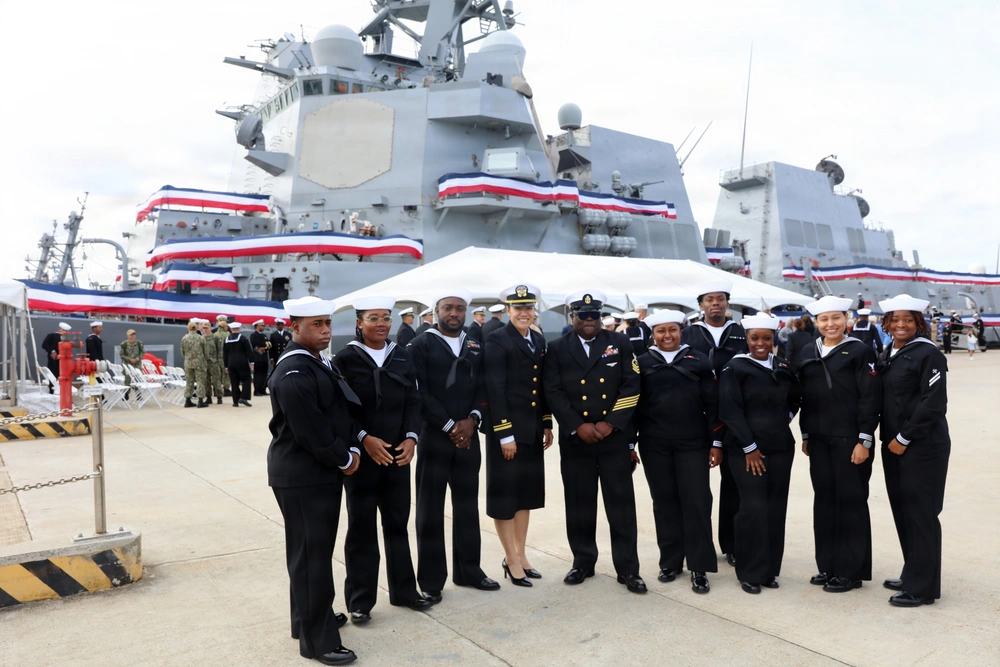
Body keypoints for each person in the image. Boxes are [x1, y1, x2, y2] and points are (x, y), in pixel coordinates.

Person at [268, 296, 361, 665]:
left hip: (312, 474)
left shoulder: (312, 361)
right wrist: (346, 457)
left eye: (327, 323)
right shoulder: (294, 372)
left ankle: (306, 619)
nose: (326, 331)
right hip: (305, 475)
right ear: (295, 328)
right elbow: (311, 431)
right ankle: (318, 641)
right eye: (317, 325)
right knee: (312, 558)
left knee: (310, 554)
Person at [332, 297, 431, 623]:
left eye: (385, 318)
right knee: (361, 529)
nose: (382, 324)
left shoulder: (401, 355)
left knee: (397, 525)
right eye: (373, 318)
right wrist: (363, 438)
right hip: (363, 460)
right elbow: (339, 411)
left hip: (397, 458)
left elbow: (414, 401)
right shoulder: (345, 359)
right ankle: (360, 601)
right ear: (359, 323)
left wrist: (412, 438)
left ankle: (404, 591)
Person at [544, 289, 646, 594]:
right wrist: (577, 425)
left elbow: (632, 384)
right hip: (577, 439)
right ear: (572, 317)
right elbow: (553, 391)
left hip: (613, 437)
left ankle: (628, 569)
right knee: (579, 504)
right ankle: (583, 561)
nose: (590, 320)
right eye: (583, 315)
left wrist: (611, 422)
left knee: (621, 505)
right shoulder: (557, 348)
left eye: (595, 315)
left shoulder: (620, 342)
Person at [408, 290, 499, 602]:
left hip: (468, 439)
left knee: (467, 507)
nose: (454, 314)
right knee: (430, 510)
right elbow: (418, 392)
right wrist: (449, 425)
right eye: (448, 308)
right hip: (435, 438)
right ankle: (432, 581)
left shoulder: (475, 344)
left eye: (460, 308)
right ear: (436, 310)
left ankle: (469, 570)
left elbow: (484, 386)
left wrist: (473, 419)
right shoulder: (420, 344)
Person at [797, 296, 880, 594]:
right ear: (816, 323)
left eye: (836, 318)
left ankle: (851, 570)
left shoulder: (860, 350)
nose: (830, 324)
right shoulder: (808, 350)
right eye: (823, 319)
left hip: (850, 439)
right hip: (819, 439)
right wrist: (806, 434)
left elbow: (870, 397)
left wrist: (864, 439)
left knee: (851, 502)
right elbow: (804, 397)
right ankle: (828, 565)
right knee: (825, 501)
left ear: (846, 319)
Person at [635, 309, 721, 594]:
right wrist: (630, 444)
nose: (667, 336)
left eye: (672, 329)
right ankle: (670, 561)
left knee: (696, 502)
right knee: (664, 501)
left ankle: (699, 566)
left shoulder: (698, 359)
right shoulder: (642, 362)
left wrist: (715, 443)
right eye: (661, 331)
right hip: (654, 444)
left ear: (681, 331)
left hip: (692, 443)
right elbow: (633, 406)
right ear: (653, 335)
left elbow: (713, 405)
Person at [718, 313, 801, 594]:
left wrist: (783, 418)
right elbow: (730, 411)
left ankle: (768, 571)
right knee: (752, 510)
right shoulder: (736, 368)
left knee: (775, 510)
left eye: (766, 337)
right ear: (747, 339)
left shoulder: (782, 366)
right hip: (746, 451)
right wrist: (750, 448)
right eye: (755, 338)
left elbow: (795, 398)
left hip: (780, 448)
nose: (761, 343)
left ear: (774, 337)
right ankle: (749, 572)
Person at [877, 295, 950, 607]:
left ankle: (922, 588)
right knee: (903, 511)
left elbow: (934, 402)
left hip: (922, 445)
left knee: (921, 514)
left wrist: (904, 437)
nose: (901, 325)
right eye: (896, 319)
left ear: (919, 323)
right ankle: (913, 572)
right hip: (893, 445)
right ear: (888, 323)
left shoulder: (927, 354)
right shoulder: (889, 351)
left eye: (908, 319)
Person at [483, 284, 553, 588]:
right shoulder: (497, 340)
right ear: (508, 311)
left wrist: (547, 423)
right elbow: (494, 389)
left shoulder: (537, 339)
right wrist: (504, 434)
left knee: (525, 496)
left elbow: (543, 385)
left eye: (528, 308)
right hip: (508, 433)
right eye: (518, 308)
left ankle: (521, 554)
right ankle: (510, 558)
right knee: (505, 498)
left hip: (532, 429)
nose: (524, 313)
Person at [681, 282, 747, 568]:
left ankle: (731, 544)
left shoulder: (741, 333)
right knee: (696, 487)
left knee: (733, 484)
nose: (715, 304)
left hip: (735, 413)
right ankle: (695, 547)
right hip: (698, 414)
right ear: (701, 305)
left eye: (720, 299)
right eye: (710, 300)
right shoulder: (688, 333)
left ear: (727, 303)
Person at [224, 322, 254, 407]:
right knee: (246, 379)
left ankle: (235, 401)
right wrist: (251, 362)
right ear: (239, 329)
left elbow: (225, 354)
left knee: (234, 382)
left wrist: (226, 366)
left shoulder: (226, 340)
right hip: (242, 362)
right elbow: (248, 351)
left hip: (231, 363)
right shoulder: (243, 338)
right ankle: (244, 397)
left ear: (231, 329)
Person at [181, 321, 209, 408]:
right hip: (199, 363)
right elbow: (206, 352)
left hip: (188, 362)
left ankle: (188, 400)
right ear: (196, 328)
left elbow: (182, 352)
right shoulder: (201, 338)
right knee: (200, 381)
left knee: (189, 382)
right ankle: (200, 401)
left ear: (188, 328)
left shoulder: (184, 338)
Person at [41, 323, 71, 392]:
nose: (65, 332)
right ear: (59, 329)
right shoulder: (52, 336)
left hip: (62, 361)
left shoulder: (66, 340)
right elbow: (44, 345)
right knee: (53, 376)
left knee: (62, 376)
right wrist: (52, 351)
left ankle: (62, 391)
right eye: (63, 330)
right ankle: (52, 391)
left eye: (66, 331)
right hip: (53, 361)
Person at [201, 321, 224, 404]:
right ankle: (208, 397)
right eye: (203, 328)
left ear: (210, 328)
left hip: (214, 362)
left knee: (216, 381)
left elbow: (220, 350)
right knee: (206, 381)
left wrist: (218, 361)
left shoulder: (215, 338)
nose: (205, 330)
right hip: (204, 363)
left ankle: (219, 397)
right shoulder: (201, 338)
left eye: (206, 328)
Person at [119, 329, 144, 398]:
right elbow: (121, 354)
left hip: (137, 364)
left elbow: (142, 353)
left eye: (134, 334)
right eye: (131, 335)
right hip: (128, 364)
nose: (132, 336)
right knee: (127, 379)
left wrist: (137, 359)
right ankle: (126, 393)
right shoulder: (124, 344)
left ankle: (138, 394)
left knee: (137, 378)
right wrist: (129, 359)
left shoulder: (139, 343)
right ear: (128, 336)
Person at [250, 320, 271, 396]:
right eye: (262, 325)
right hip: (257, 357)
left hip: (264, 357)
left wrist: (265, 346)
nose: (263, 327)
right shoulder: (254, 335)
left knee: (264, 374)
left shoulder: (264, 335)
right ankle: (257, 390)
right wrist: (265, 345)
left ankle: (263, 389)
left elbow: (268, 345)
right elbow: (258, 345)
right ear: (257, 326)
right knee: (258, 374)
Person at [214, 315, 232, 397]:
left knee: (217, 374)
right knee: (226, 373)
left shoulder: (215, 335)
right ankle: (226, 389)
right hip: (226, 357)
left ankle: (216, 389)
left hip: (217, 357)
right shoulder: (228, 334)